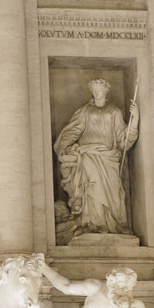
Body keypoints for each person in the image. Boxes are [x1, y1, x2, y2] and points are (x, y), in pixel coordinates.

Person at [53, 79, 139, 236]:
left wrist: (135, 120)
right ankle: (92, 223)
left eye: (100, 90)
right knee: (92, 191)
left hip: (109, 158)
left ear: (106, 91)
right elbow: (74, 131)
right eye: (95, 90)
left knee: (113, 190)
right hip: (89, 156)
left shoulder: (115, 112)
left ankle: (112, 225)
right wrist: (63, 147)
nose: (97, 93)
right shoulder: (85, 111)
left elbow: (123, 139)